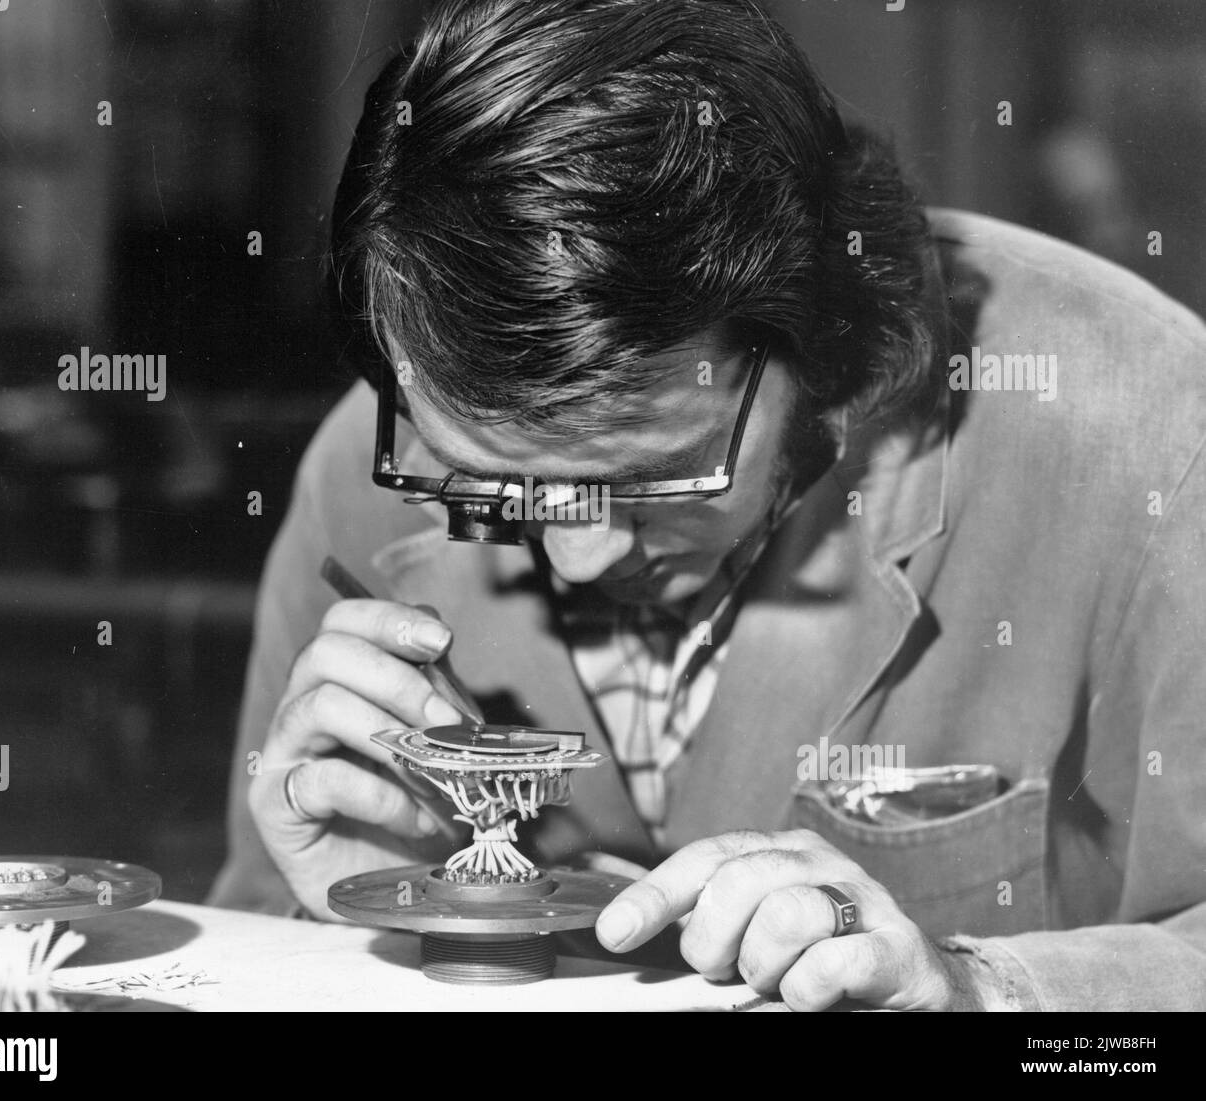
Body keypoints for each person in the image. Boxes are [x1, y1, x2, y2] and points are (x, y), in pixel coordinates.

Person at [208, 0, 1206, 1011]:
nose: (578, 562)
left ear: (821, 336)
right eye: (496, 487)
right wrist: (342, 927)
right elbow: (237, 943)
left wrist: (980, 996)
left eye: (649, 478)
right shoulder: (367, 464)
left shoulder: (1148, 434)